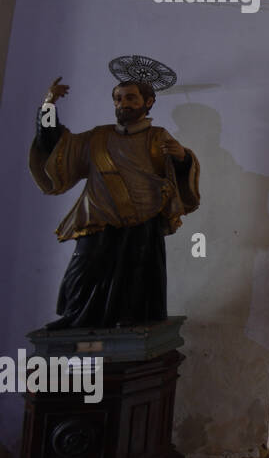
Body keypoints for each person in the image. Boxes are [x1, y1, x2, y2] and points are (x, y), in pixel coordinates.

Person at [30, 75, 201, 329]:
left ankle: (130, 318)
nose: (124, 104)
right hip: (98, 212)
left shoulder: (157, 136)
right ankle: (76, 315)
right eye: (118, 99)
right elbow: (53, 142)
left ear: (148, 102)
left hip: (142, 214)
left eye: (131, 98)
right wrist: (48, 106)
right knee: (84, 265)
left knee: (135, 270)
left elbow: (174, 170)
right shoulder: (97, 138)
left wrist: (183, 157)